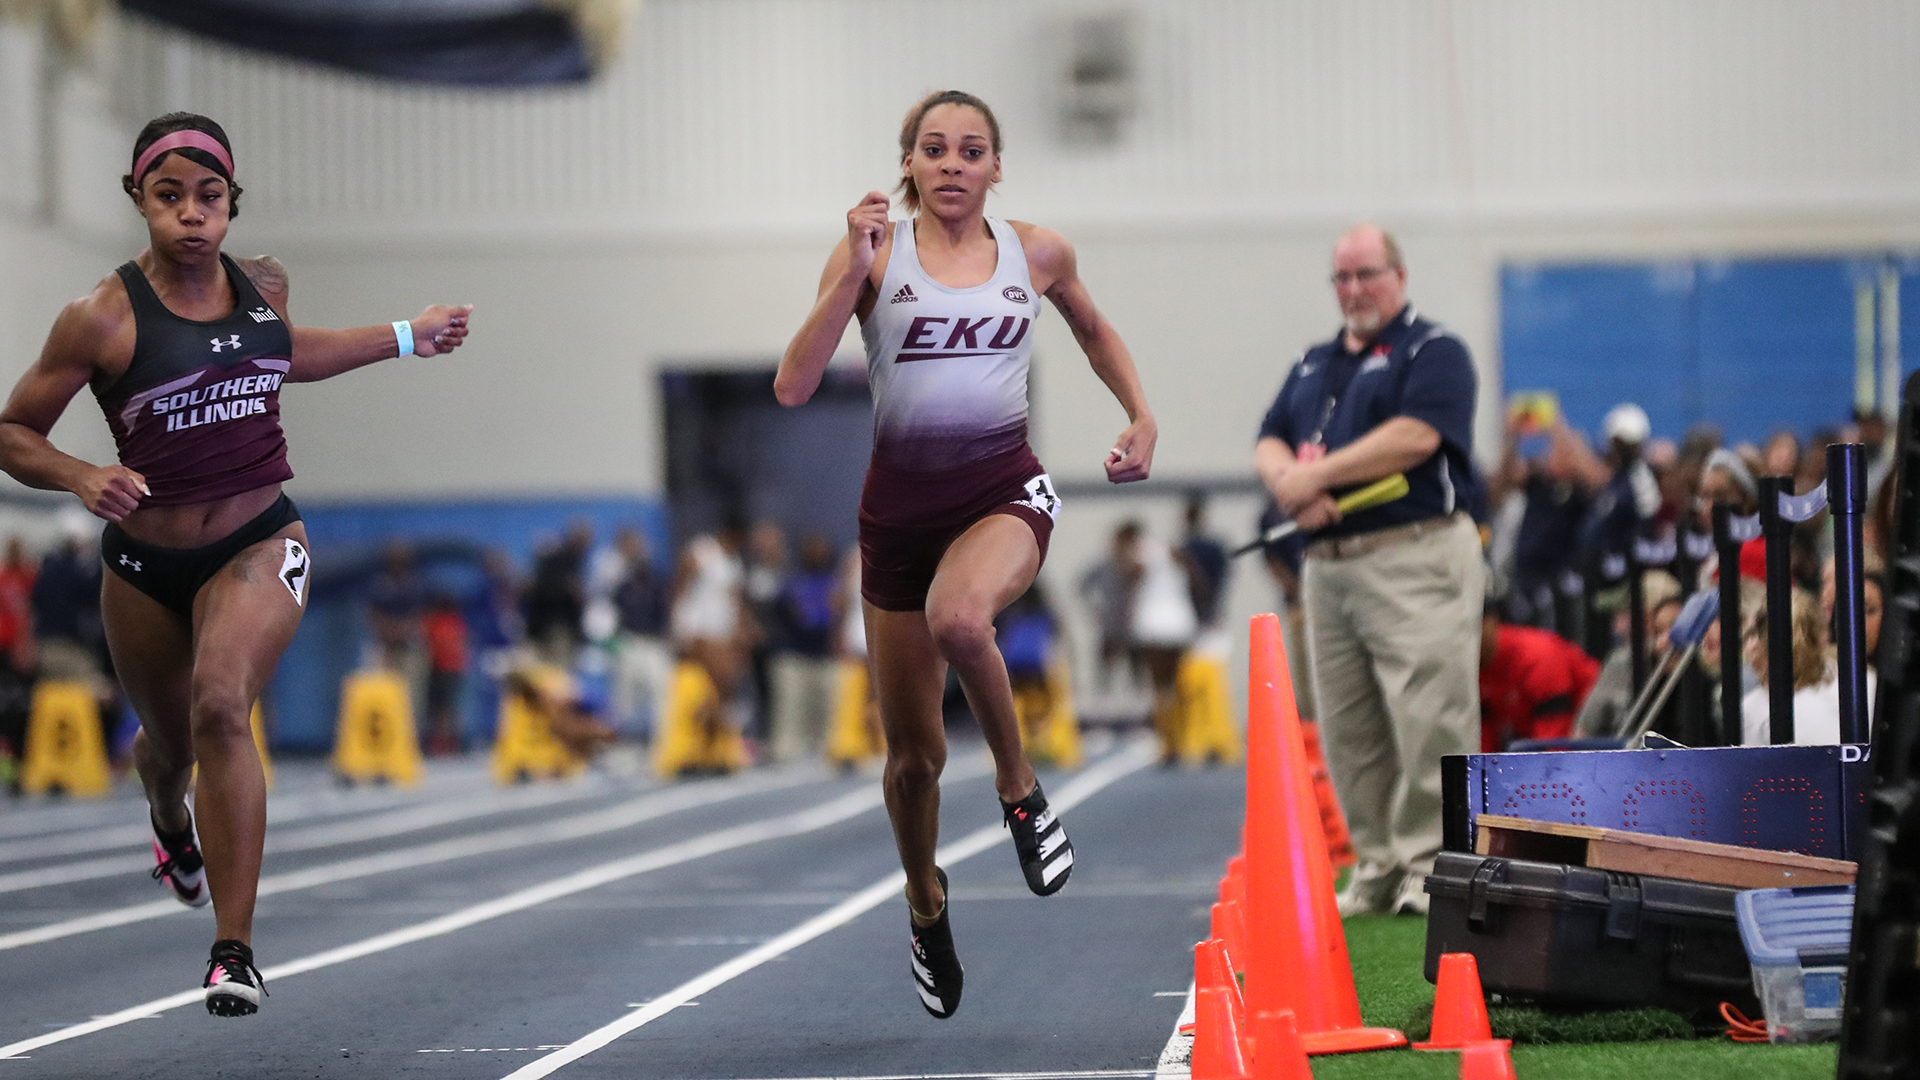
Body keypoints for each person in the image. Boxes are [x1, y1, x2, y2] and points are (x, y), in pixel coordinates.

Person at [0, 113, 470, 1016]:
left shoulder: (262, 287)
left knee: (221, 705)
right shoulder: (100, 316)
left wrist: (409, 335)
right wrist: (80, 474)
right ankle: (169, 821)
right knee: (168, 748)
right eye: (169, 197)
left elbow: (290, 356)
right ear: (139, 200)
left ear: (232, 205)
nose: (190, 216)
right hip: (143, 562)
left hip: (259, 538)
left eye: (207, 198)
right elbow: (15, 431)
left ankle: (234, 949)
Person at [775, 89, 1155, 1018]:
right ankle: (924, 901)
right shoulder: (874, 255)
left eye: (970, 150)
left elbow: (1094, 328)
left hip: (1001, 493)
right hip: (899, 520)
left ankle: (1022, 792)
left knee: (961, 617)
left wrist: (1139, 416)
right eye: (934, 150)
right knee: (911, 764)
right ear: (907, 163)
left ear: (996, 167)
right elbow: (793, 384)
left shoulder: (1038, 252)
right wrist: (849, 274)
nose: (952, 164)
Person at [1255, 223, 1483, 918]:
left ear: (1400, 275)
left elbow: (1416, 436)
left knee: (1428, 713)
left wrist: (1312, 474)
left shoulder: (1433, 351)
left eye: (1367, 274)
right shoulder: (1311, 363)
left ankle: (1434, 864)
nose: (1354, 290)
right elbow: (1269, 438)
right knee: (1347, 726)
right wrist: (1291, 482)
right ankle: (1379, 861)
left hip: (1411, 555)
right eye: (1342, 278)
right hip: (1328, 567)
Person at [1479, 603, 1601, 751]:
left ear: (1491, 622)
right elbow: (1482, 741)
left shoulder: (1536, 656)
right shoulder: (1477, 666)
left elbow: (1554, 744)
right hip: (1540, 735)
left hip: (1598, 727)